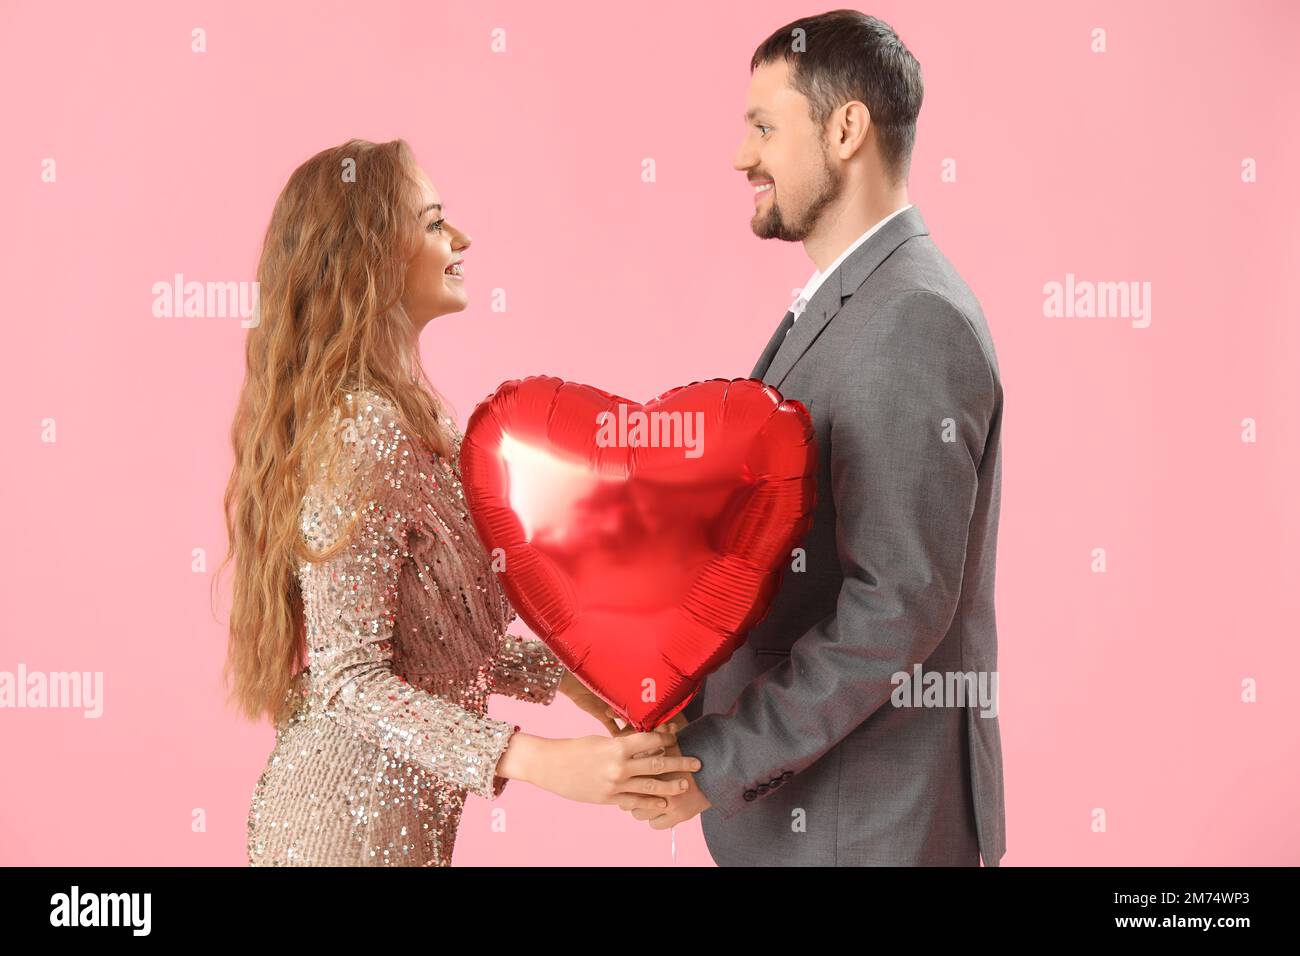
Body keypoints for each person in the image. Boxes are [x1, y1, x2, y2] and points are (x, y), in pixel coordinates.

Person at [218, 138, 697, 866]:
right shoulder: (361, 431)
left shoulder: (416, 420)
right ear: (372, 253)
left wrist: (579, 685)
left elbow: (433, 649)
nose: (461, 238)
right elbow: (351, 680)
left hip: (394, 829)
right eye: (435, 221)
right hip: (337, 835)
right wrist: (537, 759)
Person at [628, 10, 1007, 867]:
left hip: (867, 831)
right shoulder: (856, 302)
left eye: (765, 126)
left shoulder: (912, 316)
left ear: (845, 129)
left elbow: (894, 607)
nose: (741, 156)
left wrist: (718, 759)